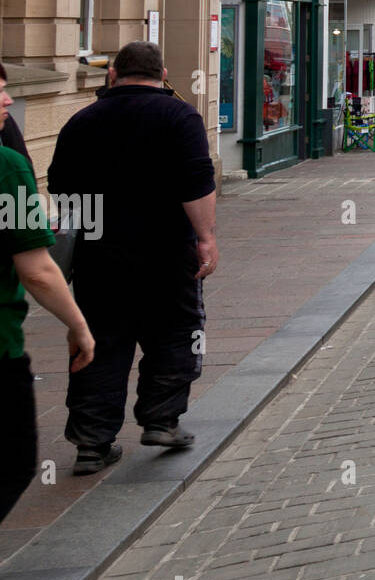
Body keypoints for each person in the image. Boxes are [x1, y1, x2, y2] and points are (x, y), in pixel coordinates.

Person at [47, 41, 216, 476]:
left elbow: (62, 188)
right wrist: (206, 237)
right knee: (175, 332)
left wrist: (93, 229)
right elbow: (196, 183)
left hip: (100, 255)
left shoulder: (81, 121)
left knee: (99, 341)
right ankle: (161, 421)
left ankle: (91, 442)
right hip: (166, 252)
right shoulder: (180, 116)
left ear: (113, 74)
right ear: (162, 75)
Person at [0, 63, 96, 522]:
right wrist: (78, 325)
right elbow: (37, 269)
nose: (7, 102)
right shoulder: (7, 166)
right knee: (13, 461)